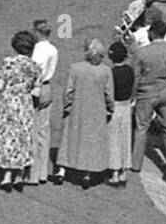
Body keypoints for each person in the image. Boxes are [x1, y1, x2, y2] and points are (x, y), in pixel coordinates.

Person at [53, 39, 114, 188]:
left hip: (77, 109)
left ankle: (61, 171)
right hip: (97, 111)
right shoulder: (106, 71)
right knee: (91, 143)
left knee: (69, 139)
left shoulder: (75, 68)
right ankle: (87, 174)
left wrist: (67, 107)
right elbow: (109, 95)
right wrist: (110, 109)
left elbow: (68, 92)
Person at [0, 30, 42, 190]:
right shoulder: (35, 67)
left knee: (7, 137)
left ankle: (6, 176)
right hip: (24, 104)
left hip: (9, 103)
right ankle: (18, 175)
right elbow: (37, 92)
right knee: (22, 138)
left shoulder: (8, 63)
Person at [130, 20, 166, 176]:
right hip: (165, 92)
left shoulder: (141, 53)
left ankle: (136, 163)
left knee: (142, 127)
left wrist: (133, 95)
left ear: (151, 33)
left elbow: (135, 77)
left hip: (146, 93)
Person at [29, 19, 58, 185]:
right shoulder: (53, 49)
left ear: (37, 32)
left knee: (33, 129)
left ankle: (32, 173)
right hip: (48, 87)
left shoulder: (37, 51)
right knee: (44, 130)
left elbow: (35, 69)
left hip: (37, 88)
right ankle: (42, 172)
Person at [106, 41, 135, 186]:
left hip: (115, 107)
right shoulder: (129, 70)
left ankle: (114, 172)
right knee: (125, 138)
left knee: (114, 139)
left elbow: (109, 93)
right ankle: (124, 171)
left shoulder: (111, 73)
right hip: (126, 105)